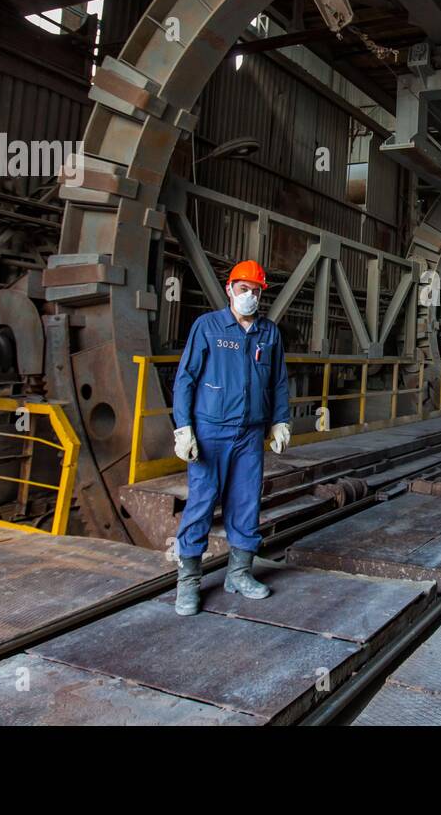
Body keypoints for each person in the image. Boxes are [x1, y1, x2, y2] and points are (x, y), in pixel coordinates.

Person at [169, 260, 291, 616]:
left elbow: (279, 381)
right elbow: (186, 379)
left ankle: (238, 574)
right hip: (211, 432)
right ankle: (188, 583)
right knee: (202, 504)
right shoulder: (207, 327)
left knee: (246, 503)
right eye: (244, 290)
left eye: (255, 291)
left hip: (250, 434)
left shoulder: (269, 334)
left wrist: (280, 421)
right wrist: (184, 427)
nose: (249, 296)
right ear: (229, 289)